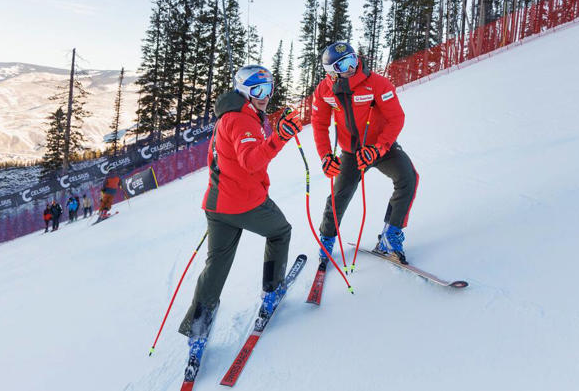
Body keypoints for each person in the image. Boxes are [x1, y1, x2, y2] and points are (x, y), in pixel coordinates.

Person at [178, 65, 302, 378]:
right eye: (258, 90)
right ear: (245, 91)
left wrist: (274, 128)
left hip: (218, 204)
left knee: (216, 266)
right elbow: (251, 159)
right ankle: (271, 291)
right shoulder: (241, 119)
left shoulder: (228, 115)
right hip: (245, 202)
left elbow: (222, 157)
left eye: (269, 89)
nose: (265, 97)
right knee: (281, 232)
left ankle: (198, 332)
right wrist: (281, 136)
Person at [311, 41, 419, 265]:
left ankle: (391, 235)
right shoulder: (324, 90)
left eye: (352, 60)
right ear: (331, 72)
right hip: (351, 153)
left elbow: (396, 118)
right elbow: (319, 124)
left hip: (381, 148)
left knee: (408, 177)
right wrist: (324, 156)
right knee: (339, 195)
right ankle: (327, 239)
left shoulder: (377, 83)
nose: (351, 67)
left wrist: (379, 148)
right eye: (343, 65)